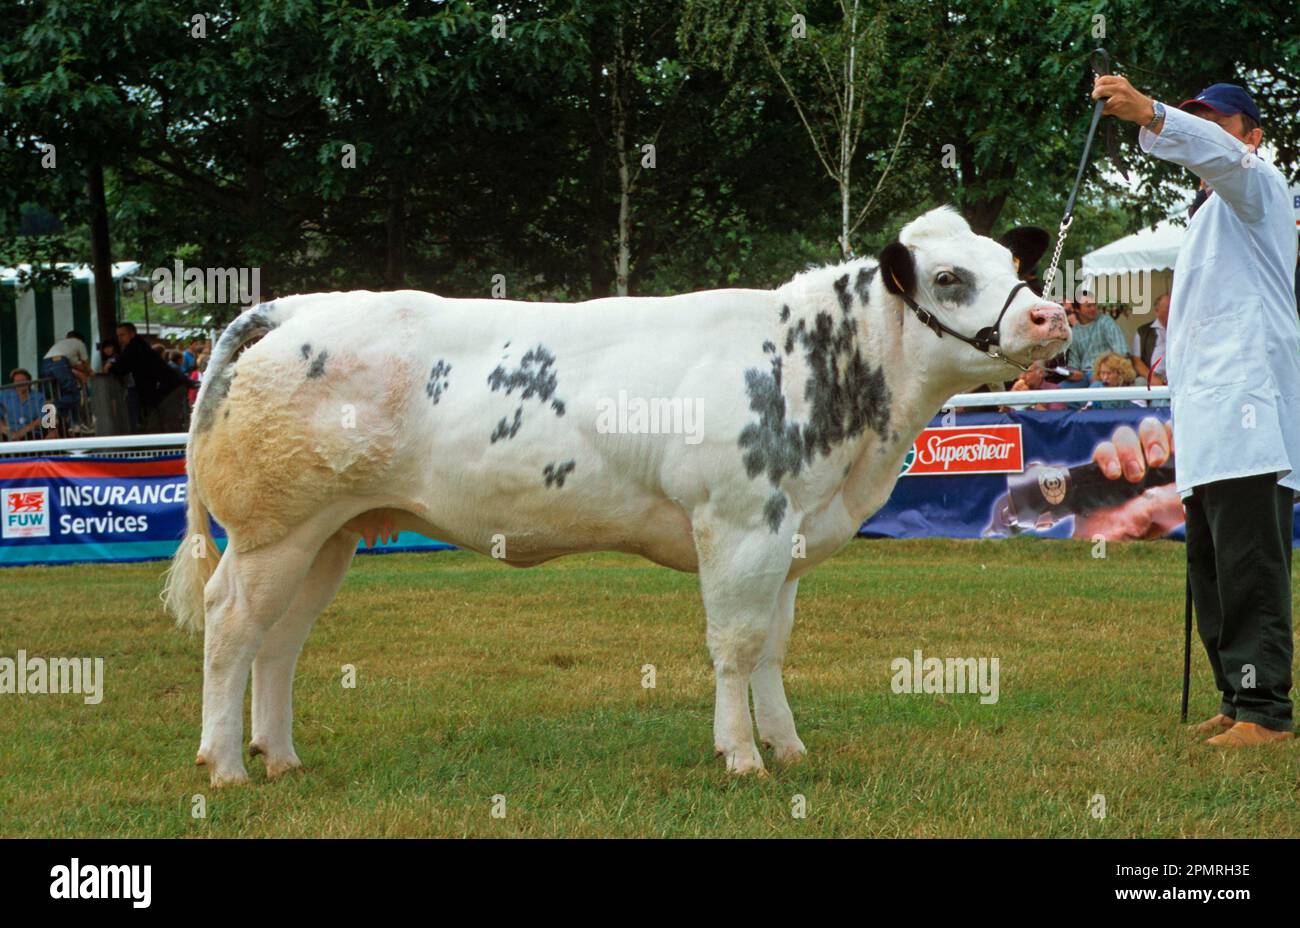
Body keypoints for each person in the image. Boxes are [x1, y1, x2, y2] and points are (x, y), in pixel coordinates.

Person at [1094, 75, 1300, 746]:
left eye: (1218, 120)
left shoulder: (1260, 187)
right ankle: (1235, 699)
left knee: (1251, 567)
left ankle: (1266, 710)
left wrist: (1152, 112)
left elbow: (1211, 153)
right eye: (1196, 117)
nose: (1205, 129)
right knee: (1211, 568)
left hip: (1249, 419)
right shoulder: (1206, 218)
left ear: (1253, 135)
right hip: (1210, 421)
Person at [105, 322, 191, 433]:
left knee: (169, 423)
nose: (120, 338)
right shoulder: (137, 346)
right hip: (163, 390)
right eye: (118, 335)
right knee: (157, 423)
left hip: (168, 389)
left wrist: (110, 367)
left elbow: (121, 367)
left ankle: (173, 448)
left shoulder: (135, 347)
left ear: (132, 334)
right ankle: (163, 448)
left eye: (123, 335)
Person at [1063, 290, 1128, 387]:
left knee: (1096, 386)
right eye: (1088, 306)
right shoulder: (1074, 333)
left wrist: (1101, 371)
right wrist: (1072, 373)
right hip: (1084, 375)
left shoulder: (1106, 322)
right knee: (1063, 388)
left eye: (1094, 304)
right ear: (1077, 309)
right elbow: (1074, 363)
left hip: (1107, 372)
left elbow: (1122, 352)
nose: (1093, 308)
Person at [41, 330, 91, 433]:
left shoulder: (60, 346)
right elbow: (85, 363)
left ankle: (75, 424)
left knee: (63, 395)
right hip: (60, 363)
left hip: (46, 364)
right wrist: (91, 374)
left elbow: (74, 366)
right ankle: (53, 406)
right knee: (75, 395)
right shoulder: (79, 343)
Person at [0, 368, 49, 441]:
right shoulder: (4, 395)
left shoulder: (39, 397)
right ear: (13, 383)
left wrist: (22, 432)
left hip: (30, 433)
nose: (21, 383)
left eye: (23, 380)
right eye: (17, 381)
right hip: (8, 433)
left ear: (29, 382)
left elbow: (42, 418)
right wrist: (7, 432)